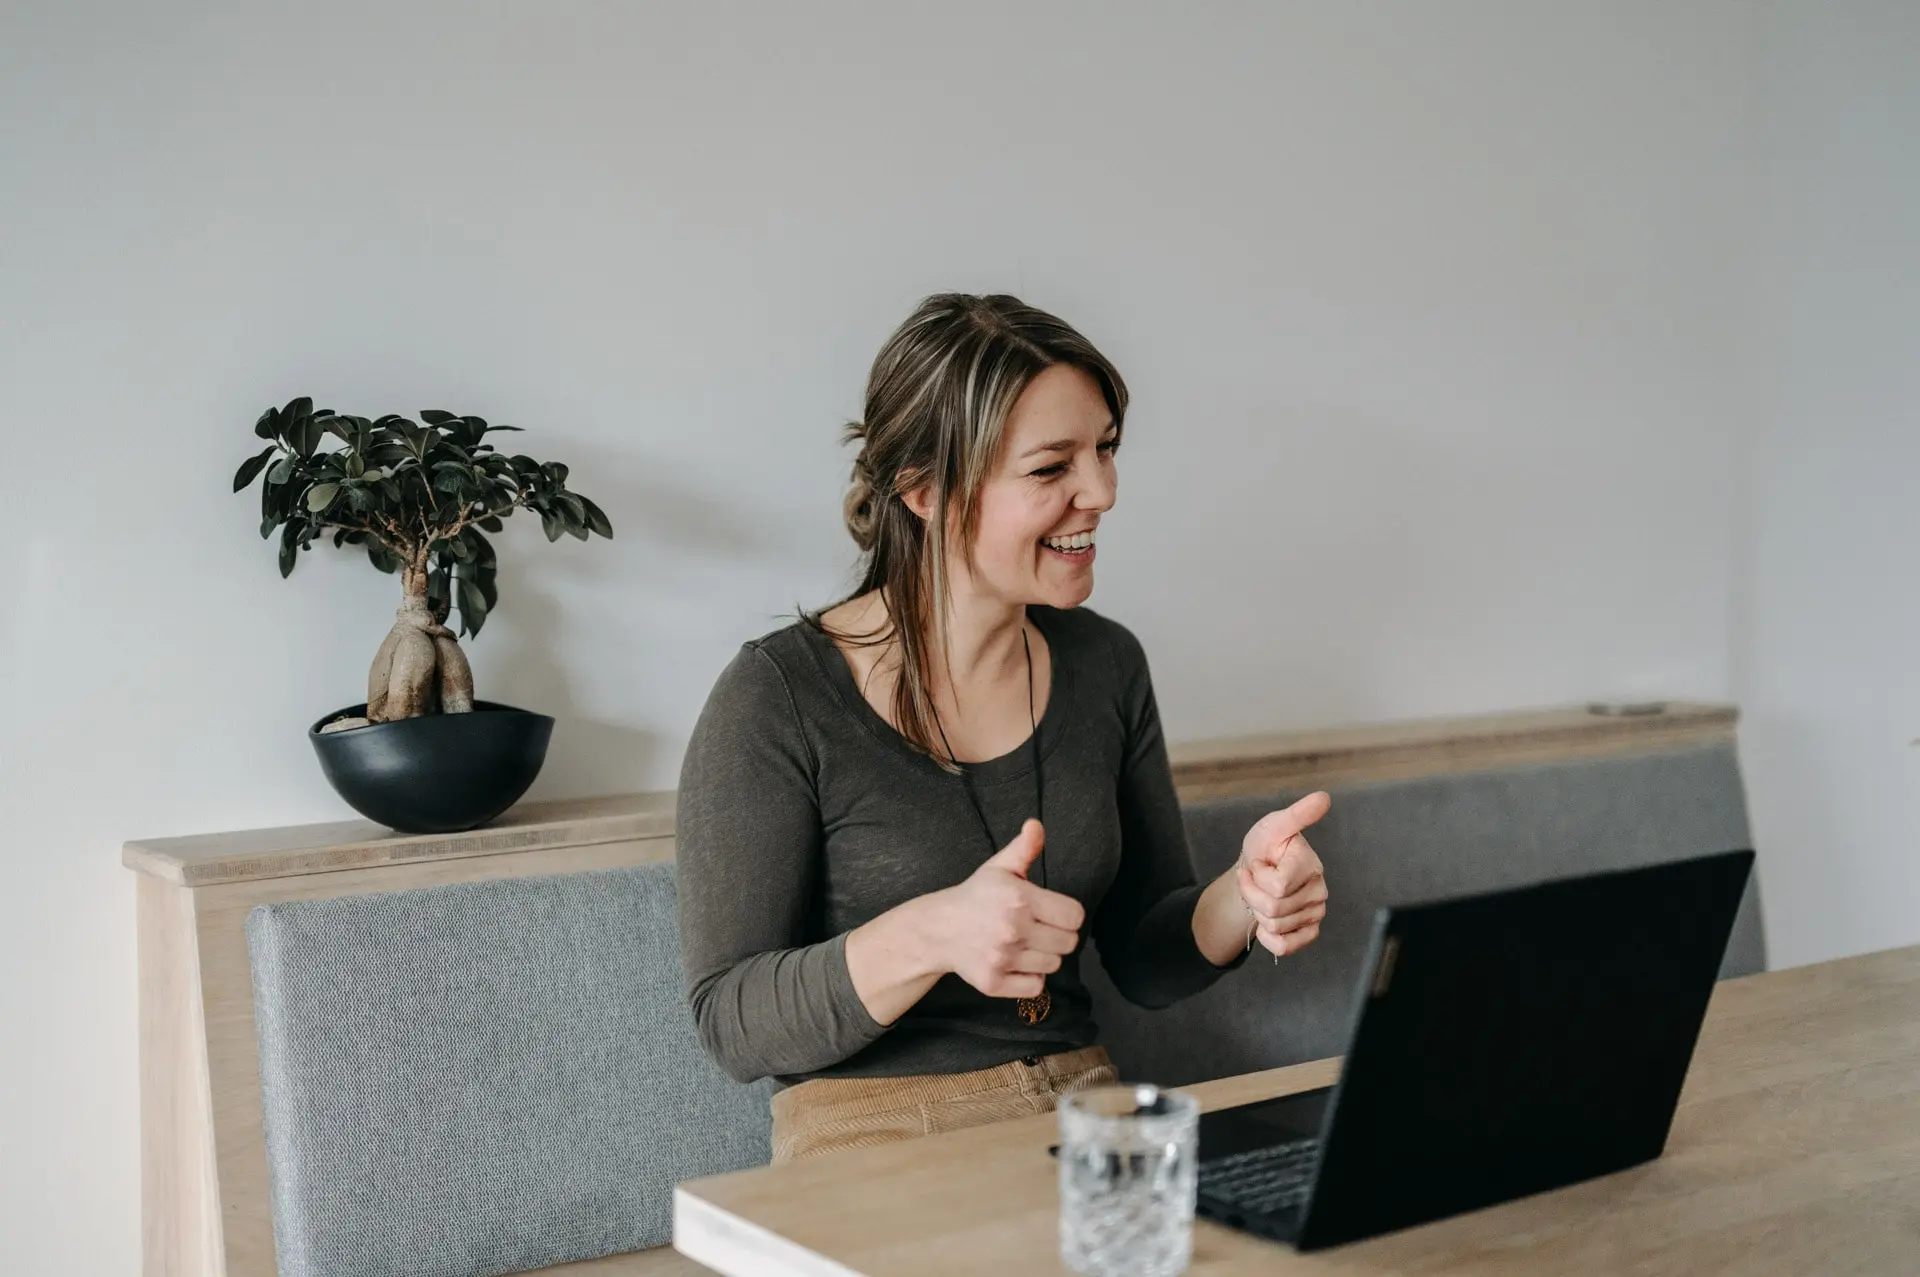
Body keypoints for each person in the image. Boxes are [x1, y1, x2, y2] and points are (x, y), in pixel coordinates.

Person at [676, 292, 1331, 1163]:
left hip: (1088, 1115)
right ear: (924, 489)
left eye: (1104, 450)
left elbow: (1144, 956)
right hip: (871, 1139)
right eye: (1051, 466)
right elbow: (732, 1021)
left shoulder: (1106, 666)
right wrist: (936, 931)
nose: (1100, 492)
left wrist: (1243, 897)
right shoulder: (778, 697)